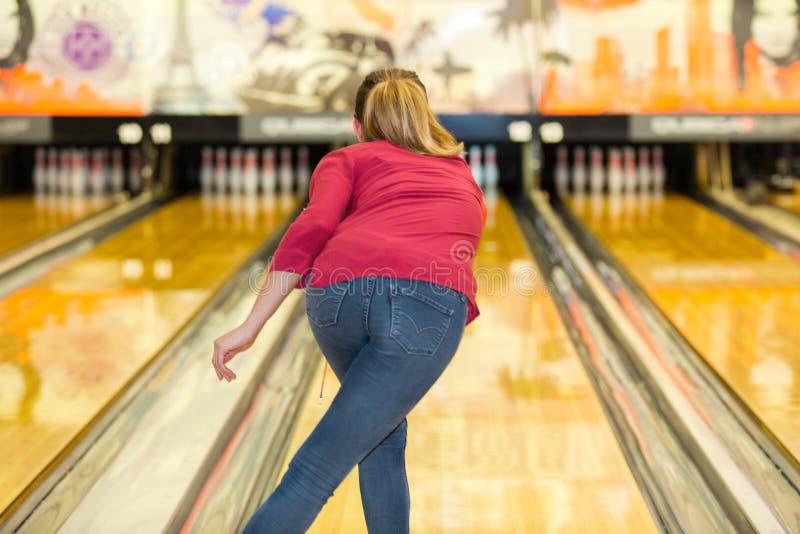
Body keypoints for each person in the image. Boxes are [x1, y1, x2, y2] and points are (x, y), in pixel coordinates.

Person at [212, 67, 486, 533]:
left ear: (357, 126)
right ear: (425, 117)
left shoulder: (346, 158)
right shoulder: (458, 171)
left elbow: (313, 229)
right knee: (317, 470)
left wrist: (251, 324)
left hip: (335, 296)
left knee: (381, 432)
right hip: (426, 304)